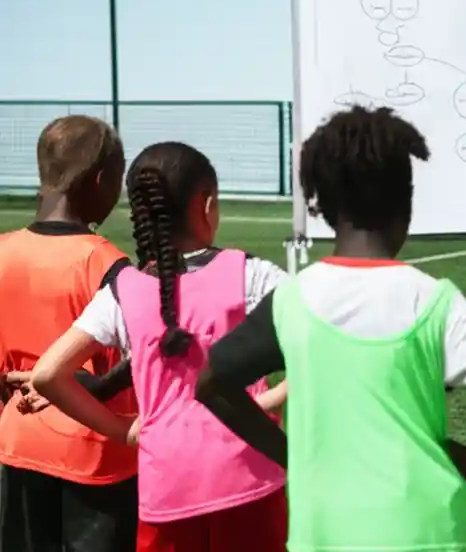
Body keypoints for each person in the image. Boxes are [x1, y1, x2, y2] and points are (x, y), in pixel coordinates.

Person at [194, 105, 466, 551]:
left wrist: (290, 455)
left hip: (324, 533)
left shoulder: (293, 300)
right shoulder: (434, 301)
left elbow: (211, 384)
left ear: (320, 203)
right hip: (426, 532)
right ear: (406, 201)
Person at [31, 141, 289, 552]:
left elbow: (48, 375)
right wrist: (271, 399)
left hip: (166, 486)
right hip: (249, 480)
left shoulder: (122, 290)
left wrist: (123, 429)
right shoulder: (250, 275)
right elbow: (320, 335)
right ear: (206, 205)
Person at [0, 115, 139, 552]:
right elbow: (145, 355)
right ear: (101, 181)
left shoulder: (3, 251)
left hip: (18, 443)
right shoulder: (107, 264)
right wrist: (92, 389)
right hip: (94, 452)